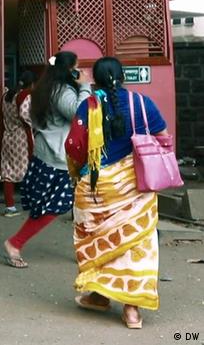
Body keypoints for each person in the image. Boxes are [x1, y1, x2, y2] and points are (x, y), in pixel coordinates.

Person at [65, 57, 166, 329]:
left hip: (98, 189)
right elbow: (164, 139)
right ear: (123, 77)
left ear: (95, 80)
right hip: (137, 187)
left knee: (101, 242)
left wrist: (76, 172)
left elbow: (74, 146)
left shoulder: (90, 106)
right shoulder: (143, 105)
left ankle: (99, 294)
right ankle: (130, 310)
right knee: (134, 245)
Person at [0, 51, 90, 268]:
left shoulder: (44, 87)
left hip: (46, 153)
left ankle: (85, 249)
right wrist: (85, 86)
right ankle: (15, 243)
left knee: (74, 204)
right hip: (59, 158)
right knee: (57, 205)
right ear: (69, 70)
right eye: (76, 68)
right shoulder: (62, 91)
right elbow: (79, 112)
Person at [0, 70, 37, 217]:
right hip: (21, 138)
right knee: (28, 171)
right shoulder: (25, 96)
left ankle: (10, 207)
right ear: (31, 83)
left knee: (8, 172)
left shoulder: (6, 96)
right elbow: (27, 117)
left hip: (7, 137)